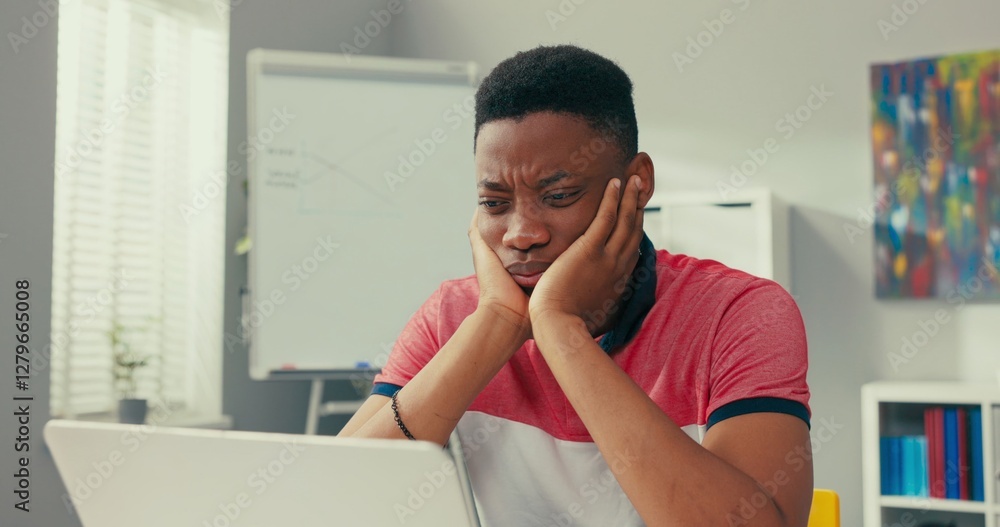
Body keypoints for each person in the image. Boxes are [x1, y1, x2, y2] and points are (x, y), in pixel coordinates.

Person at [340, 44, 812, 527]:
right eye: (495, 203)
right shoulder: (453, 316)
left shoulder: (741, 313)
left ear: (637, 182)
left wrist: (559, 328)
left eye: (559, 195)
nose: (522, 234)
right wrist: (495, 324)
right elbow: (329, 501)